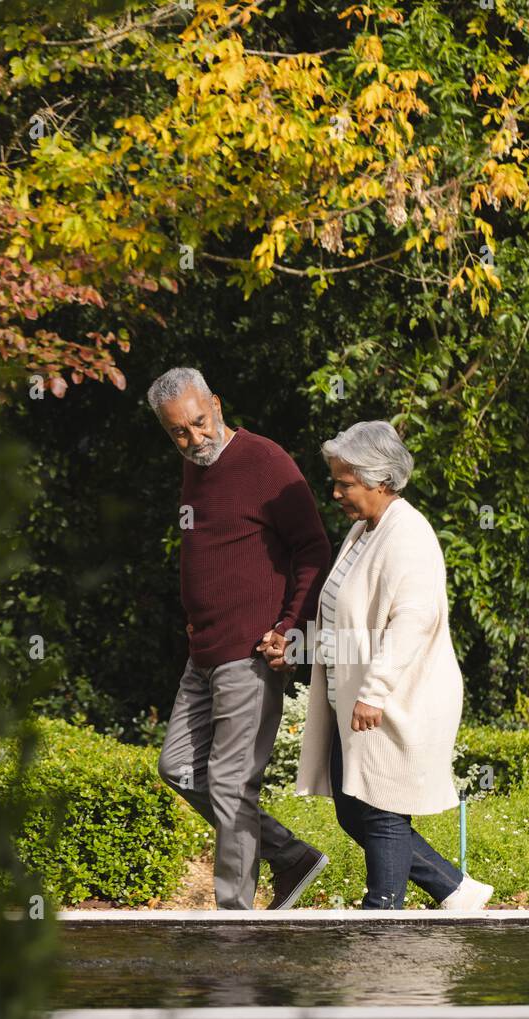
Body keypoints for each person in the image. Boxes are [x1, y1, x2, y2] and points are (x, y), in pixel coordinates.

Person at [291, 420, 493, 911]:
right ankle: (455, 889)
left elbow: (414, 621)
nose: (335, 491)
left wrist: (374, 691)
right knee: (353, 810)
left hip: (395, 697)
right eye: (335, 480)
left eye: (345, 482)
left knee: (381, 813)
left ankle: (382, 914)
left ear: (380, 481)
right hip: (352, 699)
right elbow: (344, 612)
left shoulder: (409, 534)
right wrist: (296, 645)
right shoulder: (363, 530)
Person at [152, 367, 332, 910]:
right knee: (177, 767)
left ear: (217, 403)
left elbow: (313, 550)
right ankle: (290, 855)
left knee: (231, 785)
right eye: (178, 432)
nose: (193, 439)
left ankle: (234, 925)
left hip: (252, 654)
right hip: (203, 653)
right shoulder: (195, 469)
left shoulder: (265, 462)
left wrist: (288, 630)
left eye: (199, 423)